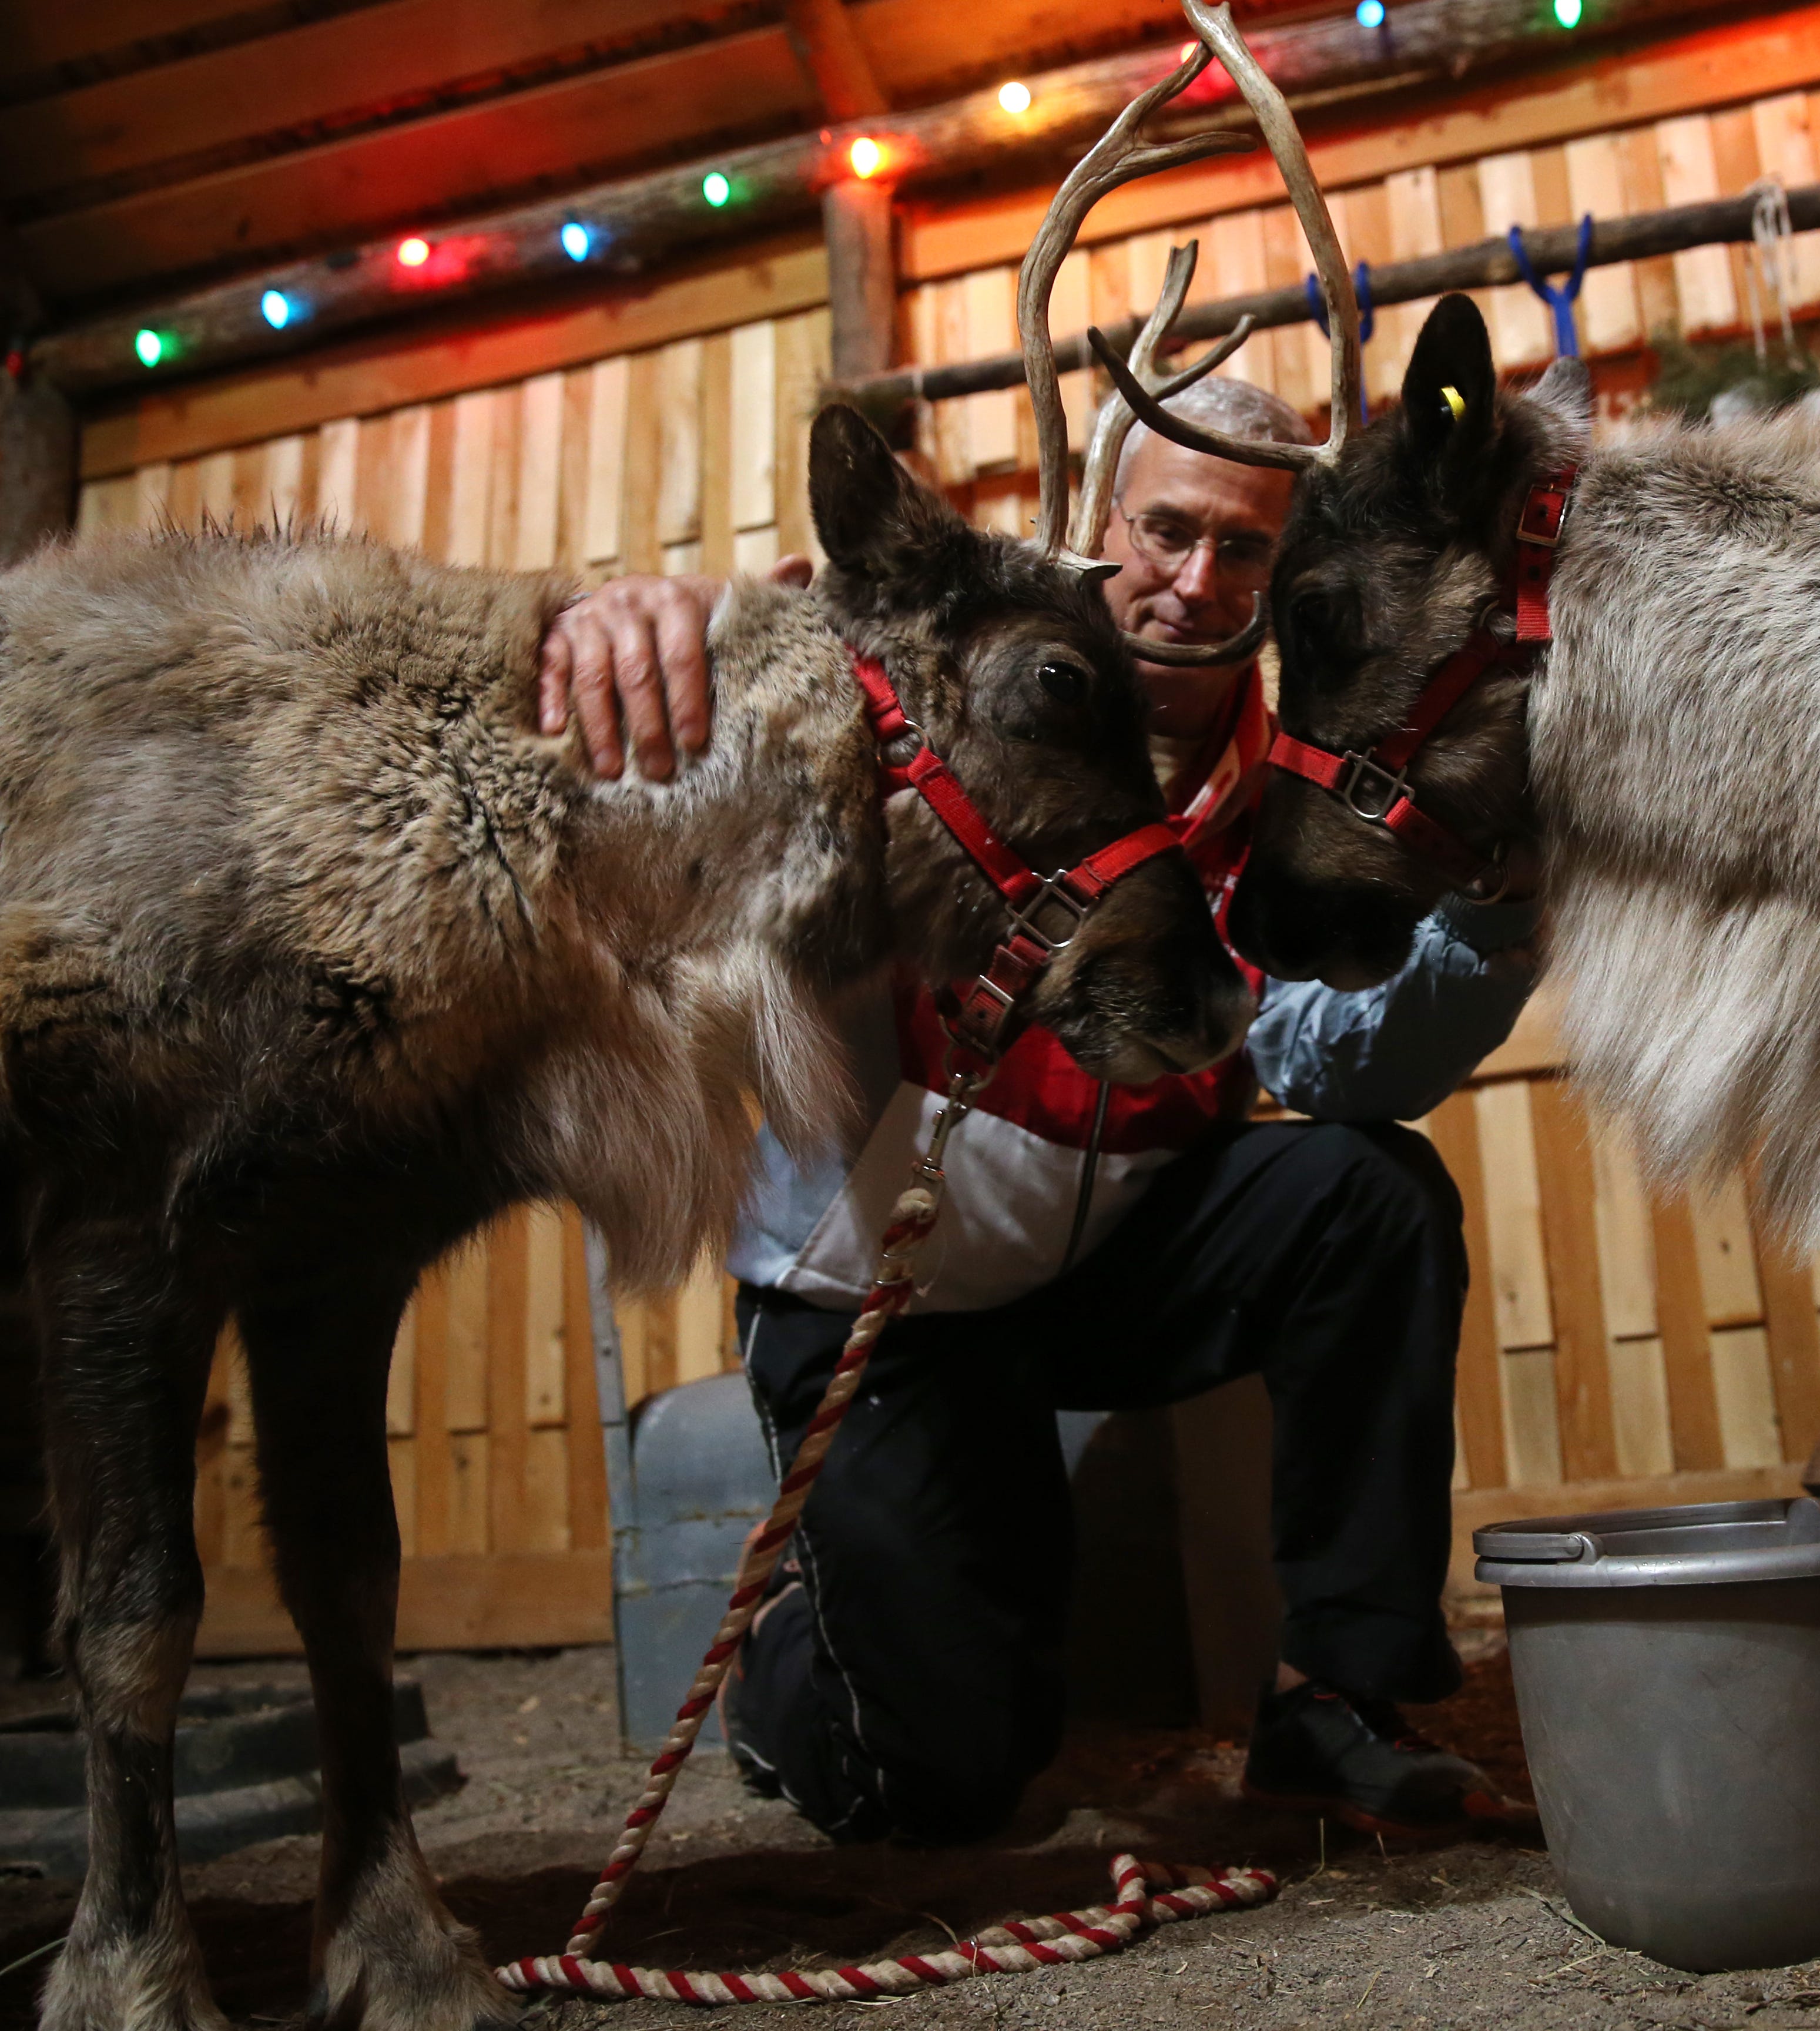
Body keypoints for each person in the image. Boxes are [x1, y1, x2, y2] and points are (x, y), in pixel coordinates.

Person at [540, 379, 1543, 1842]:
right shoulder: (925, 681)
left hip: (1112, 1265)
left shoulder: (1280, 789)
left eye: (1247, 551)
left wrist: (1497, 917)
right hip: (885, 1293)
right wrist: (649, 616)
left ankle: (1335, 1698)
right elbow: (710, 693)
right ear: (1097, 518)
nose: (1198, 584)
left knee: (1370, 1193)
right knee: (942, 1780)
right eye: (1169, 531)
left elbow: (1335, 1070)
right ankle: (796, 1659)